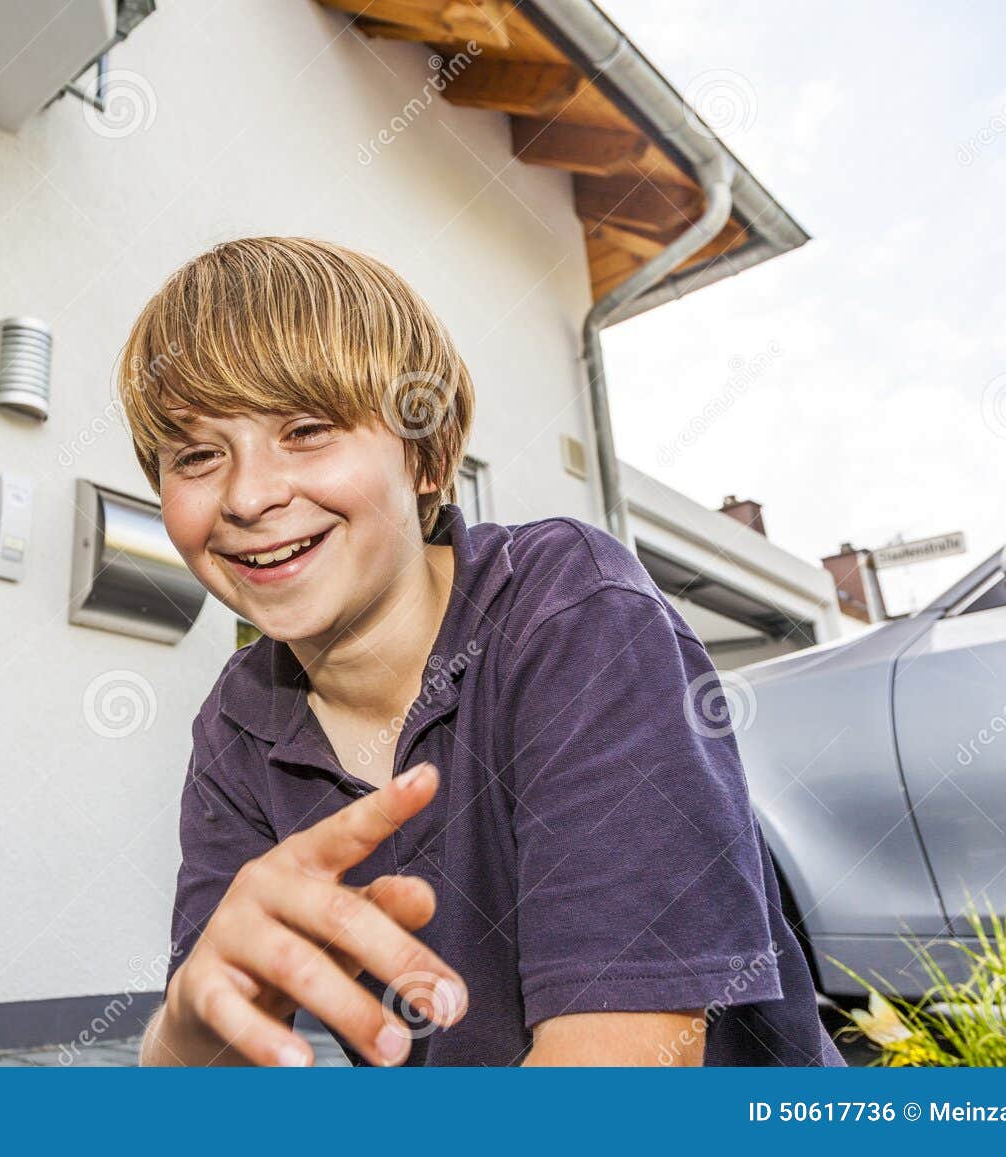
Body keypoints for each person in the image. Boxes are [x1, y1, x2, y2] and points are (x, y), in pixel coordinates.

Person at [118, 236, 843, 1067]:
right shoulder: (239, 724)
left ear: (425, 454)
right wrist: (191, 1024)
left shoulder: (574, 612)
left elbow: (624, 1072)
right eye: (198, 455)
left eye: (307, 429)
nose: (247, 496)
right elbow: (195, 1075)